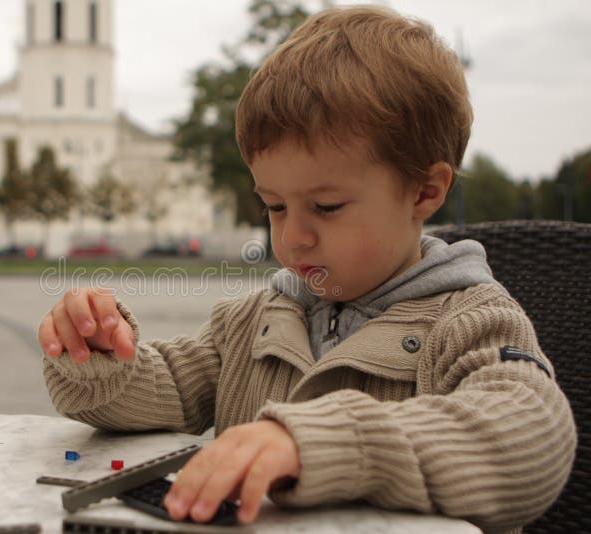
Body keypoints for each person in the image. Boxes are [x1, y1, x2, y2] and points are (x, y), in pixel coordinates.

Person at [38, 5, 576, 533]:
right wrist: (99, 354)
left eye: (326, 207)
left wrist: (316, 443)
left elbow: (532, 437)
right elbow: (168, 390)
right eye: (275, 206)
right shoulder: (256, 320)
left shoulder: (470, 320)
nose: (293, 236)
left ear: (424, 191)